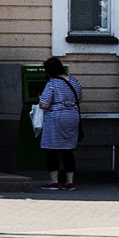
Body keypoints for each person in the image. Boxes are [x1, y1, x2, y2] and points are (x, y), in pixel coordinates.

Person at [36, 57, 83, 189]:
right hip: (72, 117)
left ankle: (54, 182)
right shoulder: (74, 81)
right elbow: (79, 100)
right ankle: (69, 182)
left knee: (51, 149)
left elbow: (45, 104)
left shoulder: (52, 83)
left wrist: (40, 100)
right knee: (67, 150)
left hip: (56, 119)